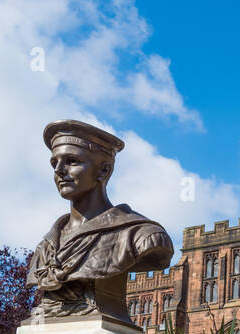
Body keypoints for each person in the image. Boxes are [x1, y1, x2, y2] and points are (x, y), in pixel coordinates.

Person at [27, 119, 174, 323]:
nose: (59, 170)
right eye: (54, 163)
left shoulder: (142, 235)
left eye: (72, 161)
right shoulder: (45, 247)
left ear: (104, 170)